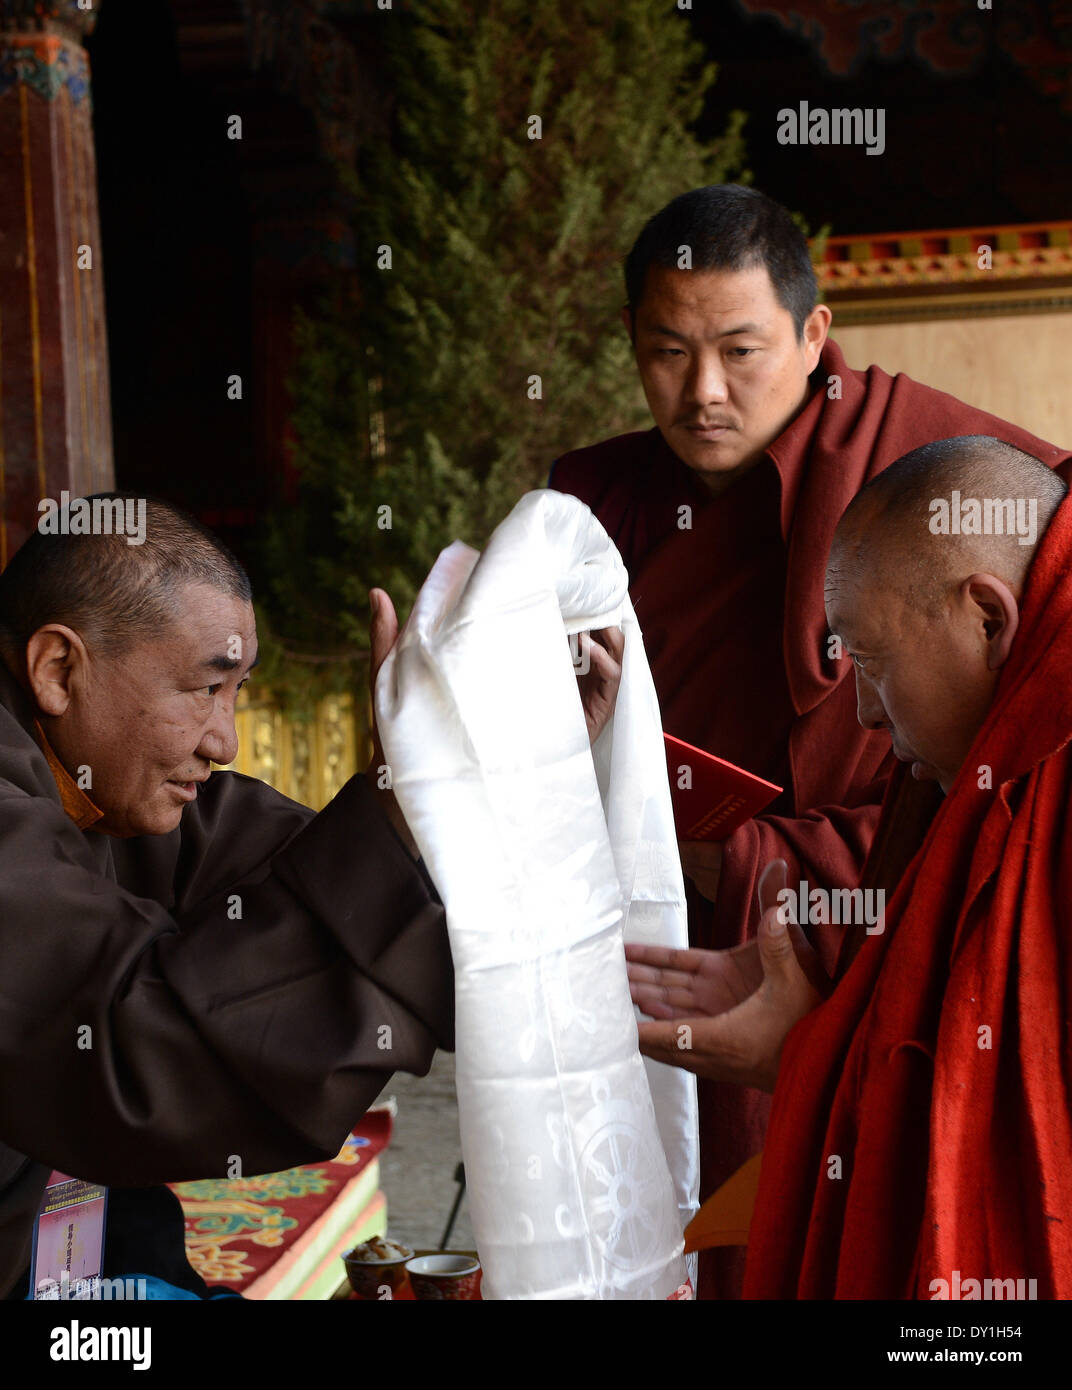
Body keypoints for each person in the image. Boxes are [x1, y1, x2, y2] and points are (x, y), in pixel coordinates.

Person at [549, 183, 1071, 1297]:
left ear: (814, 333)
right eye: (666, 353)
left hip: (845, 958)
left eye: (739, 350)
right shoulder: (598, 509)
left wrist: (750, 868)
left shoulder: (943, 471)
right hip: (708, 957)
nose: (701, 392)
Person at [0, 495, 623, 1300]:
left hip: (83, 1250)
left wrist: (481, 775)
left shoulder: (113, 791)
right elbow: (136, 1045)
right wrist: (401, 811)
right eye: (204, 690)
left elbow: (314, 880)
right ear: (59, 670)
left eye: (237, 694)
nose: (223, 742)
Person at [630, 435, 1072, 1297]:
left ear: (989, 620)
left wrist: (807, 1059)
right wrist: (821, 1030)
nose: (865, 712)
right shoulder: (983, 771)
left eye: (870, 663)